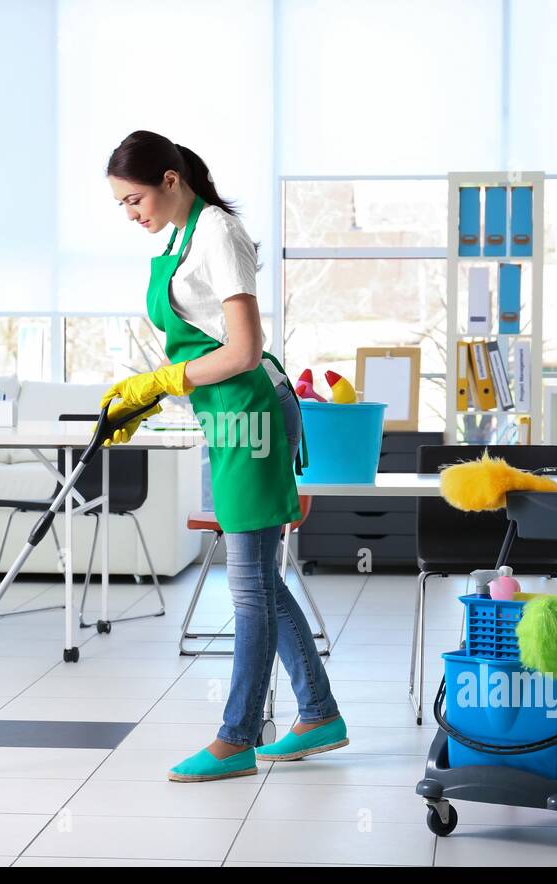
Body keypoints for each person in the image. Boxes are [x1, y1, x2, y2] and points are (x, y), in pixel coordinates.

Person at [103, 131, 347, 782]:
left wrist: (164, 382)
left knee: (246, 585)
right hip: (227, 414)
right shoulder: (176, 241)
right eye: (122, 205)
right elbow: (198, 349)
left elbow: (242, 350)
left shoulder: (217, 233)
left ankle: (237, 735)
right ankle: (318, 711)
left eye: (134, 199)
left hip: (255, 412)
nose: (131, 213)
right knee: (257, 577)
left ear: (171, 181)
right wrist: (151, 395)